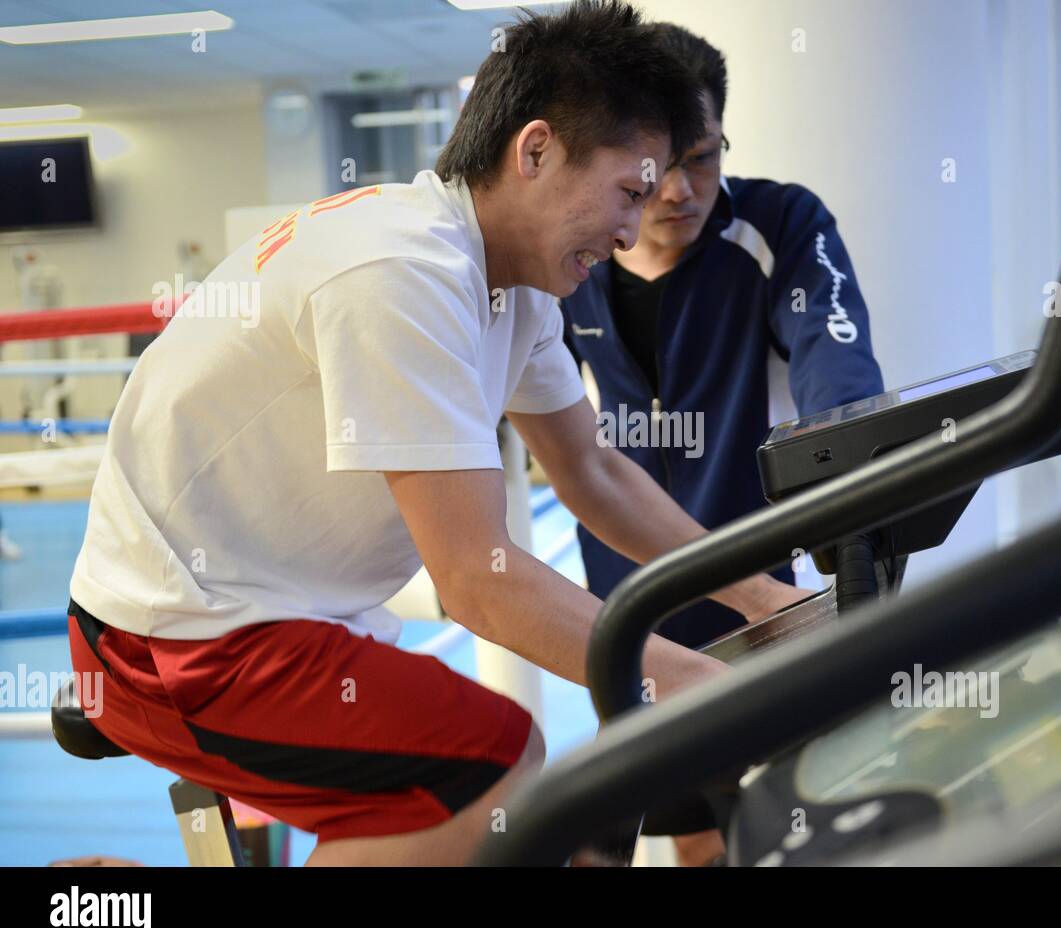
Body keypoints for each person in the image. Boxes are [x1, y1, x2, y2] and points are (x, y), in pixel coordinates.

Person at [66, 0, 801, 867]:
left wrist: (766, 600)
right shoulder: (404, 271)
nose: (635, 229)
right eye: (629, 192)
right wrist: (688, 681)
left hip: (277, 612)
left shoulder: (516, 283)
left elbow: (590, 471)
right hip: (168, 637)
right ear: (535, 151)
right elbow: (474, 582)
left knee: (504, 772)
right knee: (485, 767)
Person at [562, 24, 885, 653]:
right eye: (658, 169)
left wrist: (856, 473)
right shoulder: (575, 257)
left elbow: (836, 365)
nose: (681, 191)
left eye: (704, 157)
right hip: (624, 603)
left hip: (763, 598)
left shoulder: (780, 224)